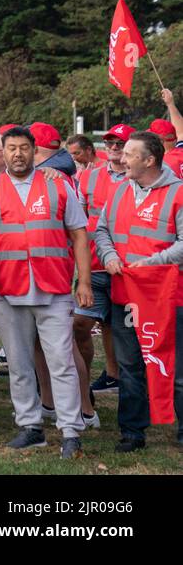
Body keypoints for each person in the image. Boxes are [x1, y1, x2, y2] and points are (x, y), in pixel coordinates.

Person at [0, 126, 92, 460]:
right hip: (8, 290)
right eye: (11, 148)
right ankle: (30, 427)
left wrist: (83, 282)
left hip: (52, 288)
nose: (18, 154)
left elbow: (79, 235)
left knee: (61, 362)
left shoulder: (58, 185)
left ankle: (70, 431)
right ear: (3, 152)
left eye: (24, 148)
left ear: (34, 150)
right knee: (20, 365)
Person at [95, 131, 183, 452]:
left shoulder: (179, 194)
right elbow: (101, 230)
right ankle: (132, 431)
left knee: (174, 366)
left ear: (149, 160)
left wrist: (148, 264)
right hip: (126, 295)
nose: (120, 157)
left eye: (130, 153)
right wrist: (109, 256)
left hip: (168, 297)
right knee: (130, 365)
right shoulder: (120, 191)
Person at [75, 123, 132, 401]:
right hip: (94, 267)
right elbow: (79, 221)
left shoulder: (142, 178)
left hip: (128, 268)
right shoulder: (89, 177)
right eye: (109, 143)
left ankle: (117, 376)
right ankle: (82, 388)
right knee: (80, 324)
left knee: (120, 328)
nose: (113, 148)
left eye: (119, 144)